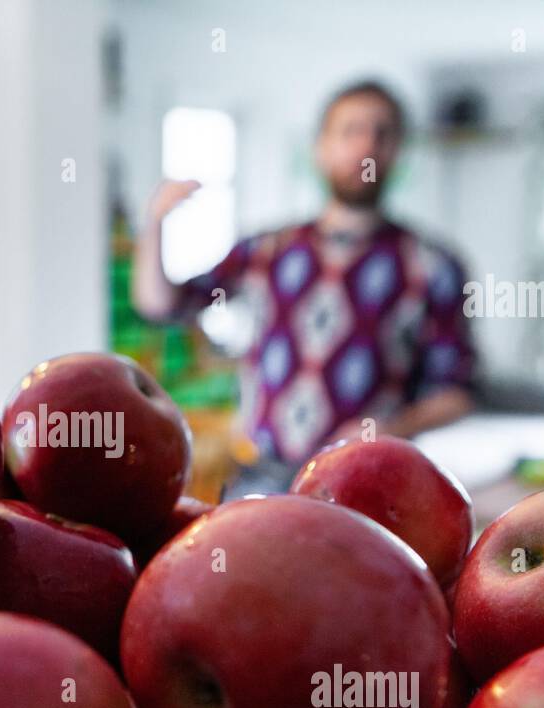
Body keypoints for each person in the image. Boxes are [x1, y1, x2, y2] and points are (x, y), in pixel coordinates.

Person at [132, 80, 475, 495]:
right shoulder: (266, 250)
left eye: (382, 133)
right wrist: (155, 224)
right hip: (260, 477)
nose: (366, 146)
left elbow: (457, 393)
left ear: (399, 151)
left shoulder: (433, 266)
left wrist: (394, 427)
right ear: (321, 147)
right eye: (350, 131)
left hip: (364, 484)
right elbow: (160, 305)